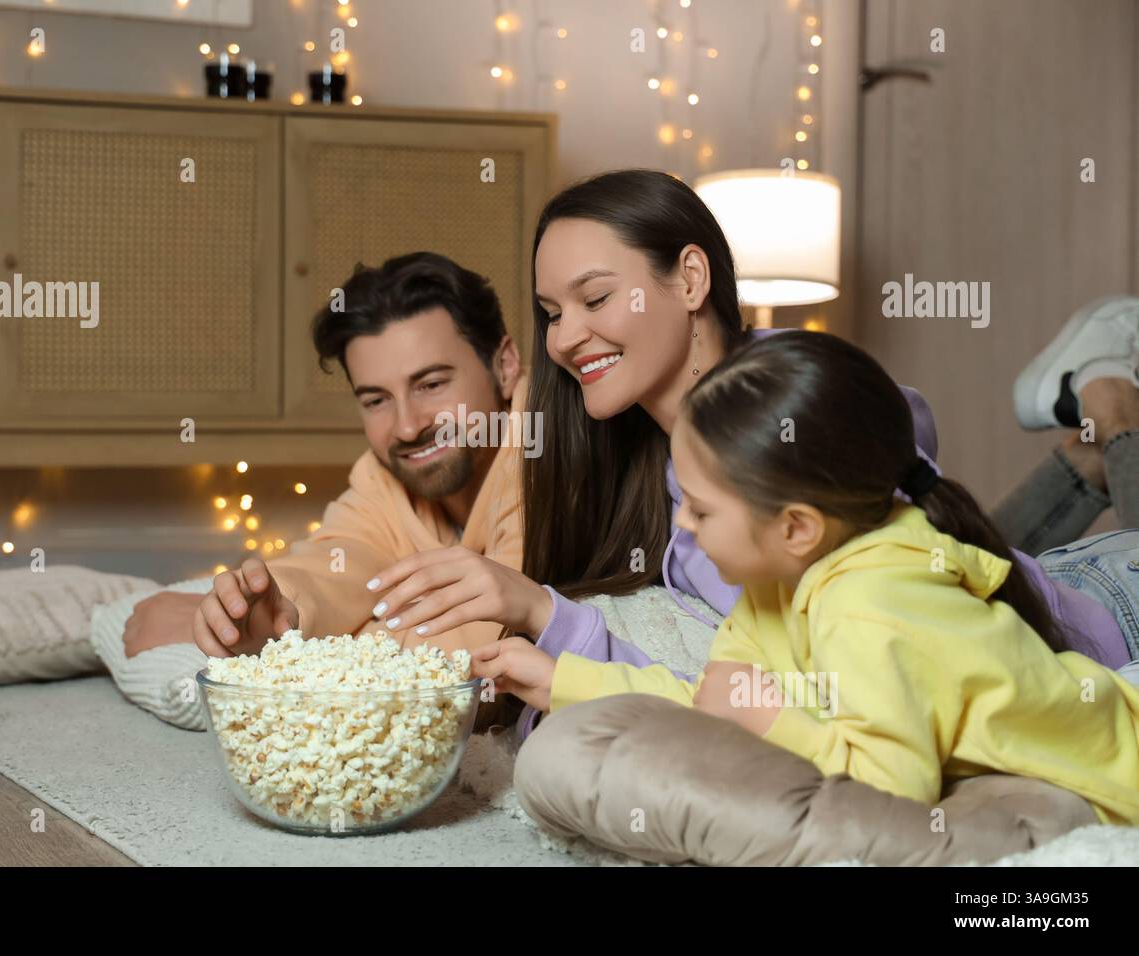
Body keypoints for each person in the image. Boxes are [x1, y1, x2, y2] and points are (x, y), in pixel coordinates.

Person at [363, 169, 1139, 740]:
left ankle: (1113, 406)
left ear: (691, 277)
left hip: (1100, 618)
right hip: (1036, 580)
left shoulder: (782, 401)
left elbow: (900, 439)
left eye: (595, 300)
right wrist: (540, 623)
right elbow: (729, 682)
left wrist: (545, 618)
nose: (564, 338)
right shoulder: (645, 457)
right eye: (552, 313)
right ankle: (1097, 447)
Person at [470, 331, 1139, 826]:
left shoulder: (870, 611)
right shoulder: (773, 586)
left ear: (796, 527)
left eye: (700, 510)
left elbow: (893, 785)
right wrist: (564, 682)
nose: (682, 533)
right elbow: (709, 697)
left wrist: (770, 715)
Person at [120, 251, 525, 661]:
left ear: (505, 366)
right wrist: (276, 613)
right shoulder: (381, 479)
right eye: (376, 400)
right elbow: (338, 561)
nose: (406, 427)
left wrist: (319, 651)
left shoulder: (553, 457)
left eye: (431, 384)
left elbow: (481, 646)